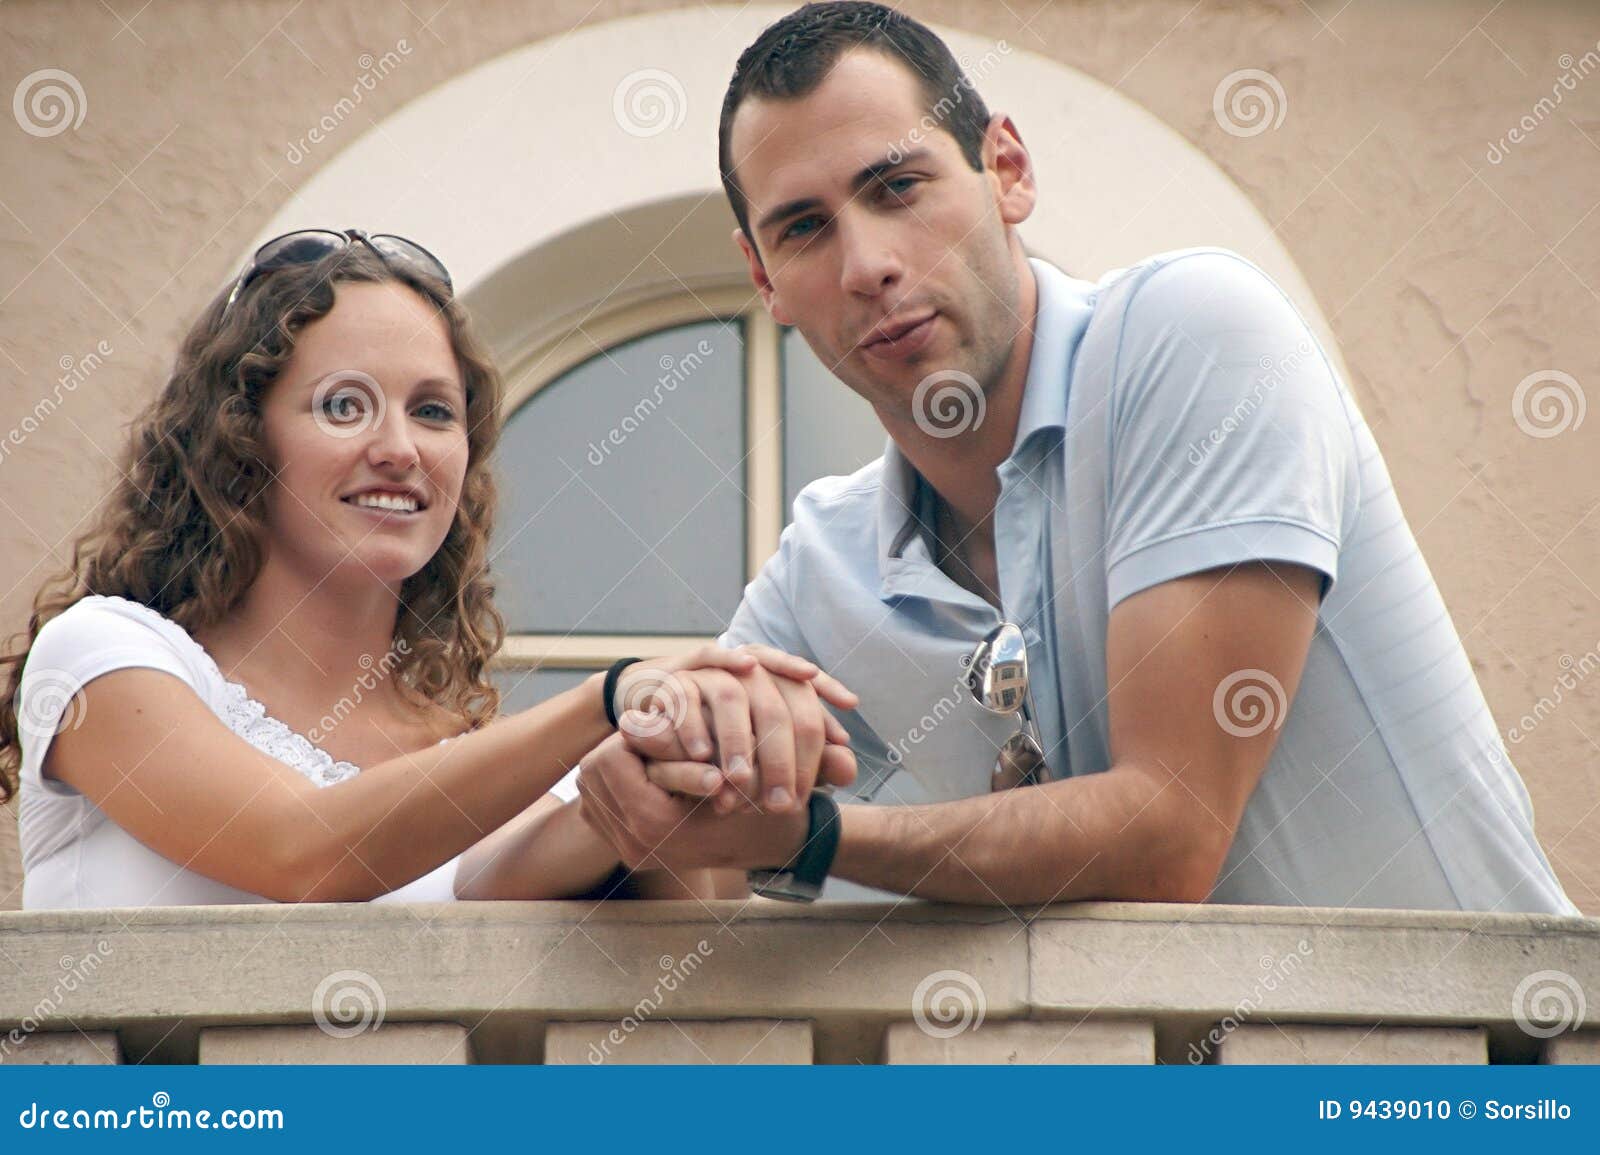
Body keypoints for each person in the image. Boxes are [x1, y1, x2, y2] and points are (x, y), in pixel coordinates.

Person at [573, 2, 1580, 915]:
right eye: (803, 228)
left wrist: (811, 838)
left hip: (1472, 1105)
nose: (867, 264)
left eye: (898, 186)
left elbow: (1168, 837)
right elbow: (541, 875)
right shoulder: (825, 562)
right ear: (763, 280)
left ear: (1006, 168)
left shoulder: (1194, 333)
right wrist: (636, 746)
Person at [0, 228, 855, 909]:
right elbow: (303, 851)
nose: (400, 450)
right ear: (239, 444)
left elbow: (570, 869)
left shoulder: (470, 761)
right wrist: (609, 694)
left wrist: (686, 747)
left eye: (434, 412)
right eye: (344, 406)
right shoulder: (101, 657)